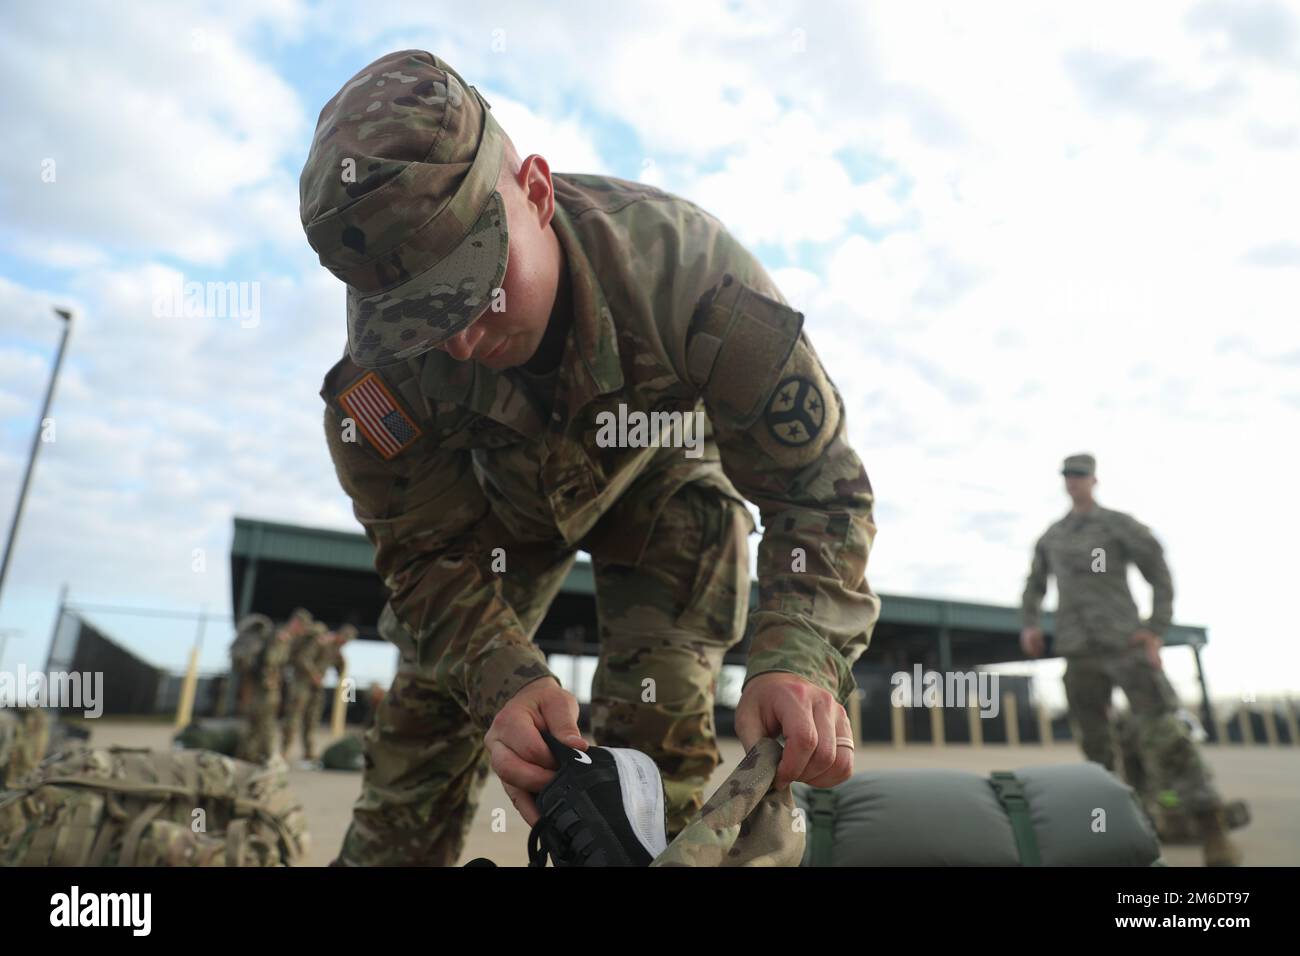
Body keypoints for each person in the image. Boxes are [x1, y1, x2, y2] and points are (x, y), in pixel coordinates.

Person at [299, 50, 880, 865]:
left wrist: (797, 656)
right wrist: (504, 681)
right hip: (493, 514)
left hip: (663, 484)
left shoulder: (690, 277)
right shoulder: (378, 387)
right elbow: (424, 556)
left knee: (657, 751)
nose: (459, 338)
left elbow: (818, 488)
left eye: (473, 287)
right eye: (417, 318)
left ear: (534, 191)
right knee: (421, 737)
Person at [1020, 453, 1241, 866]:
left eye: (1080, 475)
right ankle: (1114, 830)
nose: (1073, 482)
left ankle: (1213, 829)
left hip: (1124, 643)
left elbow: (1158, 571)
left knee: (1166, 735)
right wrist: (1030, 624)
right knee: (1097, 752)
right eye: (1067, 476)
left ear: (1093, 480)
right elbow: (1033, 585)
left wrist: (1156, 628)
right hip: (1078, 651)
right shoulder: (1053, 535)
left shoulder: (1119, 525)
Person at [237, 608, 311, 764]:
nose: (302, 632)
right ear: (297, 623)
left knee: (257, 720)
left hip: (264, 684)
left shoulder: (282, 636)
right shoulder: (281, 637)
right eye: (302, 627)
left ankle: (249, 755)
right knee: (266, 720)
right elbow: (271, 661)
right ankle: (267, 755)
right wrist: (272, 681)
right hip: (267, 686)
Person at [282, 623, 357, 760]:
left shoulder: (336, 651)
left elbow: (340, 671)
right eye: (344, 639)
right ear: (339, 635)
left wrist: (342, 665)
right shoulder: (321, 642)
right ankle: (285, 750)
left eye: (347, 642)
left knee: (312, 719)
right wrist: (313, 675)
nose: (344, 643)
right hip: (302, 684)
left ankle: (309, 751)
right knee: (294, 717)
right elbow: (303, 658)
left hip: (316, 688)